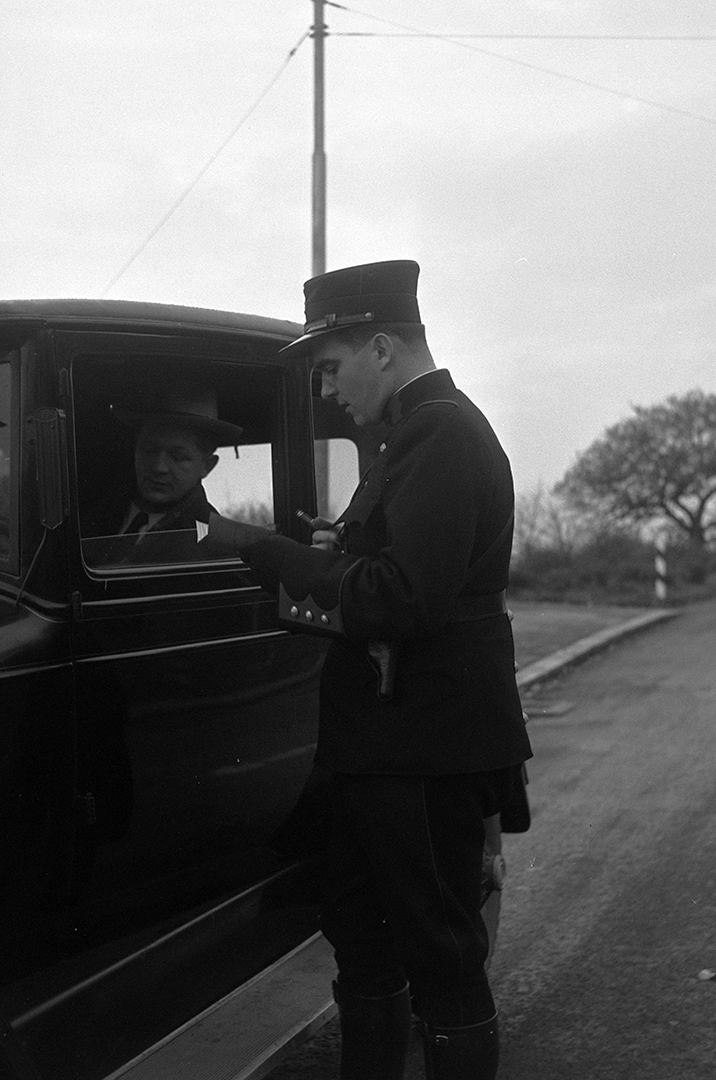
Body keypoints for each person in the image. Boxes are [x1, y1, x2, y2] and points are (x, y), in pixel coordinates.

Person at [216, 260, 532, 1080]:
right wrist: (340, 549)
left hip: (424, 746)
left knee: (440, 953)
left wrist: (271, 551)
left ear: (383, 348)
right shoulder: (410, 436)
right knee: (360, 936)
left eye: (329, 368)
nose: (323, 391)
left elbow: (405, 598)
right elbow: (395, 563)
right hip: (386, 744)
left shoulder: (440, 432)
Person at [111, 383, 242, 564]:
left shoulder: (215, 547)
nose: (159, 467)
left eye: (178, 456)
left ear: (207, 466)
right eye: (149, 450)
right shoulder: (96, 511)